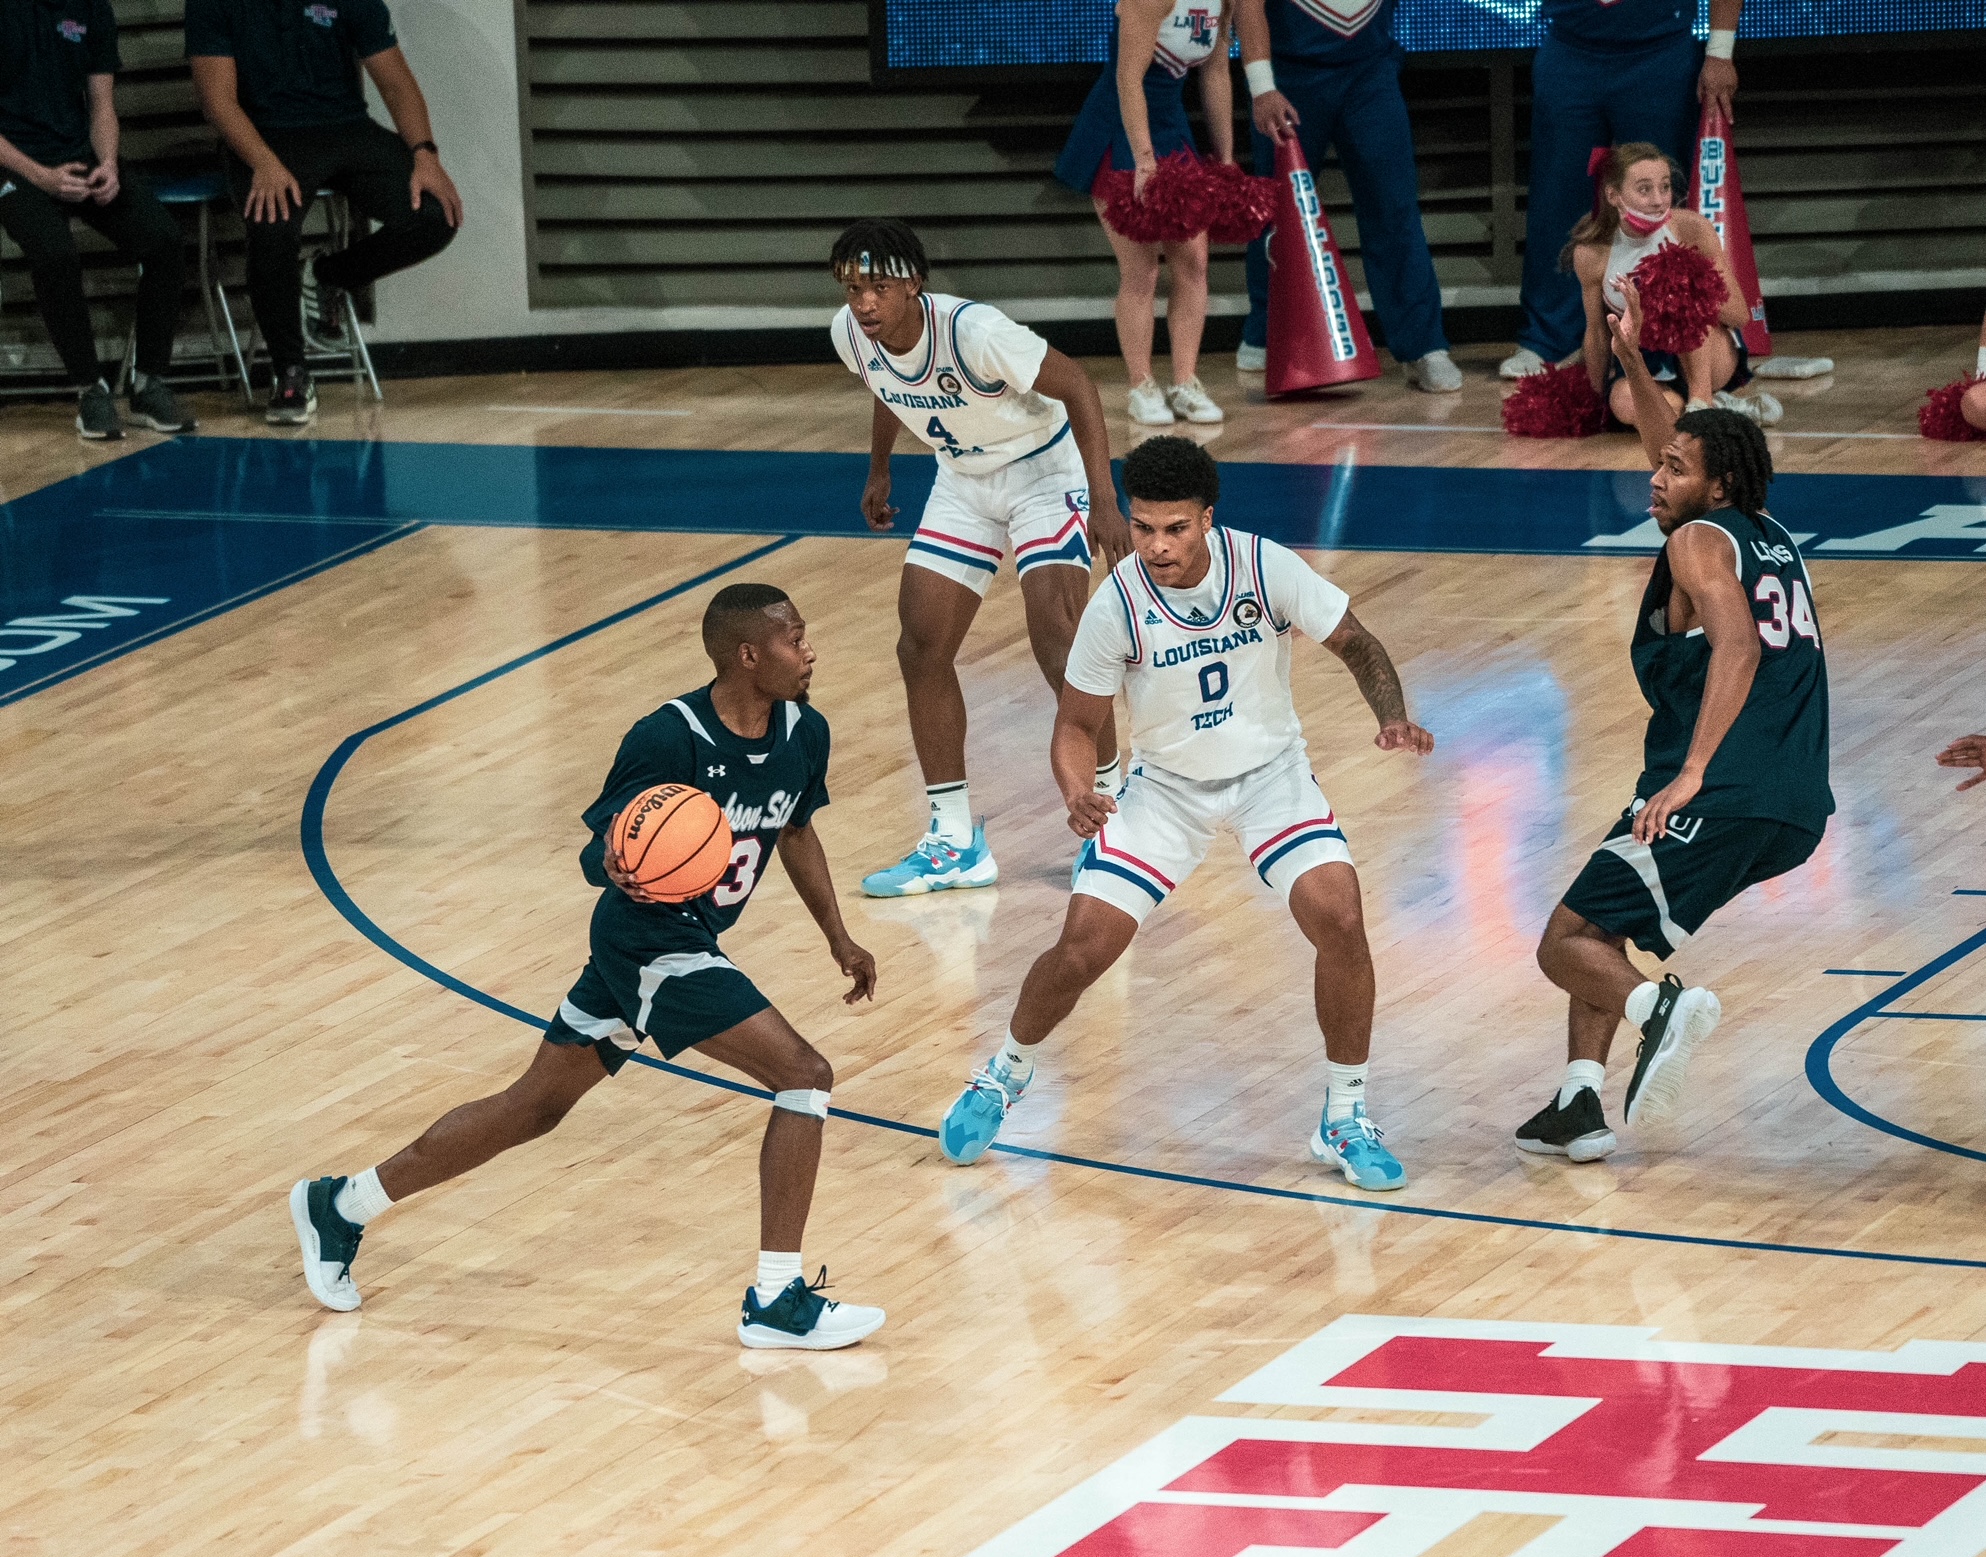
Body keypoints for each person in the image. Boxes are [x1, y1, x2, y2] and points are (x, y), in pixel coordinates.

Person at [290, 584, 888, 1351]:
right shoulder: (667, 738)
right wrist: (618, 863)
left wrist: (838, 936)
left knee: (532, 1108)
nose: (809, 653)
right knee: (804, 1075)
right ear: (747, 654)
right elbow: (600, 851)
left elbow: (795, 830)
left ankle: (341, 1206)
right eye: (794, 640)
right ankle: (776, 1299)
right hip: (647, 941)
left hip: (686, 940)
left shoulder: (806, 733)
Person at [939, 436, 1434, 1190]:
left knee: (1340, 918)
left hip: (1270, 776)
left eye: (1175, 528)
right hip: (1166, 788)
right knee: (1082, 951)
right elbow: (1076, 725)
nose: (1157, 546)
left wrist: (1391, 715)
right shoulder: (1117, 603)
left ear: (1207, 519)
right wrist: (1076, 791)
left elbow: (1357, 644)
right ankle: (1005, 1072)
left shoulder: (1264, 566)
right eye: (1143, 528)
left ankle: (1345, 1115)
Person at [1515, 279, 1830, 1164]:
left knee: (1564, 942)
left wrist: (1692, 773)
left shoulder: (1696, 542)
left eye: (1675, 471)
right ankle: (1579, 1102)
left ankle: (1663, 1010)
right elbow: (1679, 443)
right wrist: (1629, 353)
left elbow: (1738, 647)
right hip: (1791, 799)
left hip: (1721, 789)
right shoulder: (1765, 533)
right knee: (1601, 923)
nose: (1656, 475)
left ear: (1715, 485)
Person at [829, 219, 1133, 898]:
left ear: (914, 283)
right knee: (920, 644)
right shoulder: (850, 333)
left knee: (1059, 644)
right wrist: (879, 468)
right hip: (963, 478)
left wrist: (1105, 498)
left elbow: (1079, 385)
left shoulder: (976, 332)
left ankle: (1115, 813)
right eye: (853, 289)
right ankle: (953, 837)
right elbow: (886, 386)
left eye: (879, 288)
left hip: (1044, 472)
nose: (865, 303)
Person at [187, 0, 460, 426]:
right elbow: (217, 102)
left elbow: (395, 82)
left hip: (346, 127)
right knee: (272, 224)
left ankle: (328, 276)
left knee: (434, 215)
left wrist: (425, 155)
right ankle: (290, 372)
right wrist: (263, 162)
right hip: (266, 135)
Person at [1501, 0, 1740, 379]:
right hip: (1570, 51)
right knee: (1556, 202)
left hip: (1661, 55)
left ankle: (1662, 342)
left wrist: (1720, 51)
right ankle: (1547, 341)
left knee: (1659, 203)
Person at [1233, 0, 1459, 393]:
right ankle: (1267, 330)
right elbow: (1248, 4)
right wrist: (1262, 86)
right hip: (1290, 75)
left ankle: (1423, 345)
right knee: (1278, 211)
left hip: (1370, 71)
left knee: (1394, 209)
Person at [0, 0, 193, 439]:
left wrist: (107, 162)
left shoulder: (91, 8)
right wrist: (41, 176)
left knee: (163, 240)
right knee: (54, 254)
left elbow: (102, 105)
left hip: (78, 154)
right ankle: (91, 389)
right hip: (14, 164)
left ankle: (148, 383)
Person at [1053, 0, 1234, 425]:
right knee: (1141, 270)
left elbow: (1215, 71)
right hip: (1121, 128)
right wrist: (1144, 161)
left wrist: (1225, 158)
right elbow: (1127, 80)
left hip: (1171, 126)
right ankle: (1141, 385)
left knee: (1194, 263)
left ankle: (1185, 383)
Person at [1569, 142, 1778, 428]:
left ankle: (1701, 401)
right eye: (1644, 189)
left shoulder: (1692, 228)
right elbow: (1596, 333)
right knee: (1624, 405)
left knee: (1675, 278)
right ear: (1614, 195)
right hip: (1645, 359)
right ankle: (1718, 408)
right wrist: (1593, 403)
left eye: (1665, 187)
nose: (1658, 200)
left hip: (1708, 350)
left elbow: (1739, 315)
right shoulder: (1591, 253)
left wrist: (1686, 282)